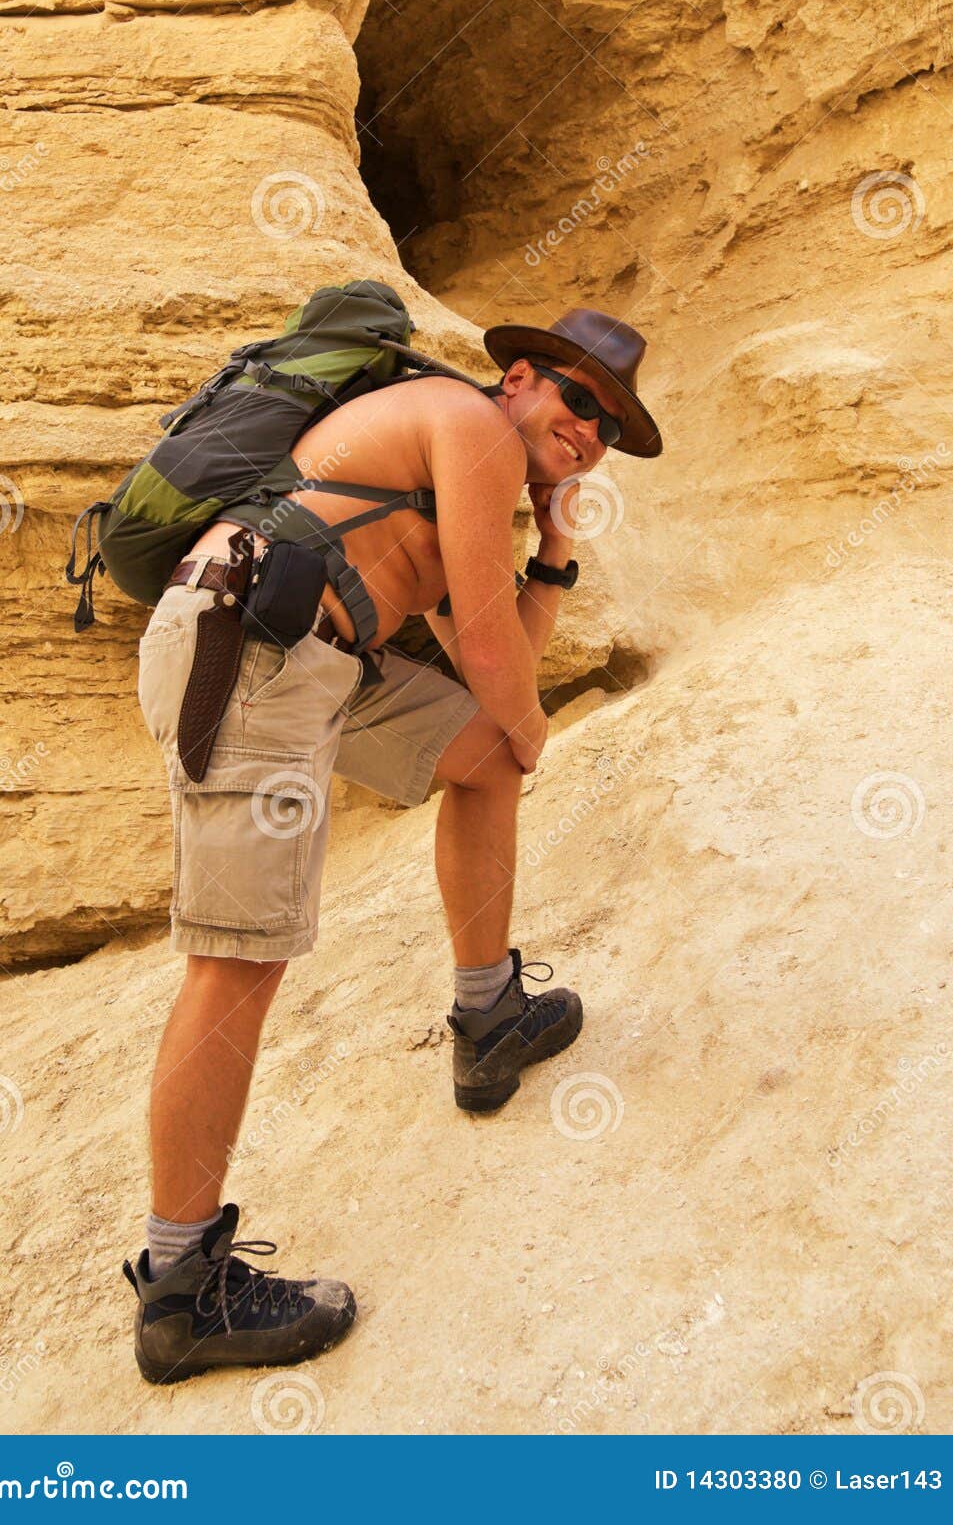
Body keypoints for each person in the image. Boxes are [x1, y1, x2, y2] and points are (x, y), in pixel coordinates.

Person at [121, 308, 663, 1384]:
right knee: (240, 957)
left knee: (482, 759)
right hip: (249, 650)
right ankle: (180, 1292)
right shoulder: (464, 424)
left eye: (609, 427)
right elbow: (482, 638)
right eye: (580, 401)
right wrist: (530, 719)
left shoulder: (482, 460)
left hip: (318, 651)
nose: (591, 433)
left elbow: (490, 675)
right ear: (518, 377)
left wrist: (550, 553)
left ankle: (487, 1014)